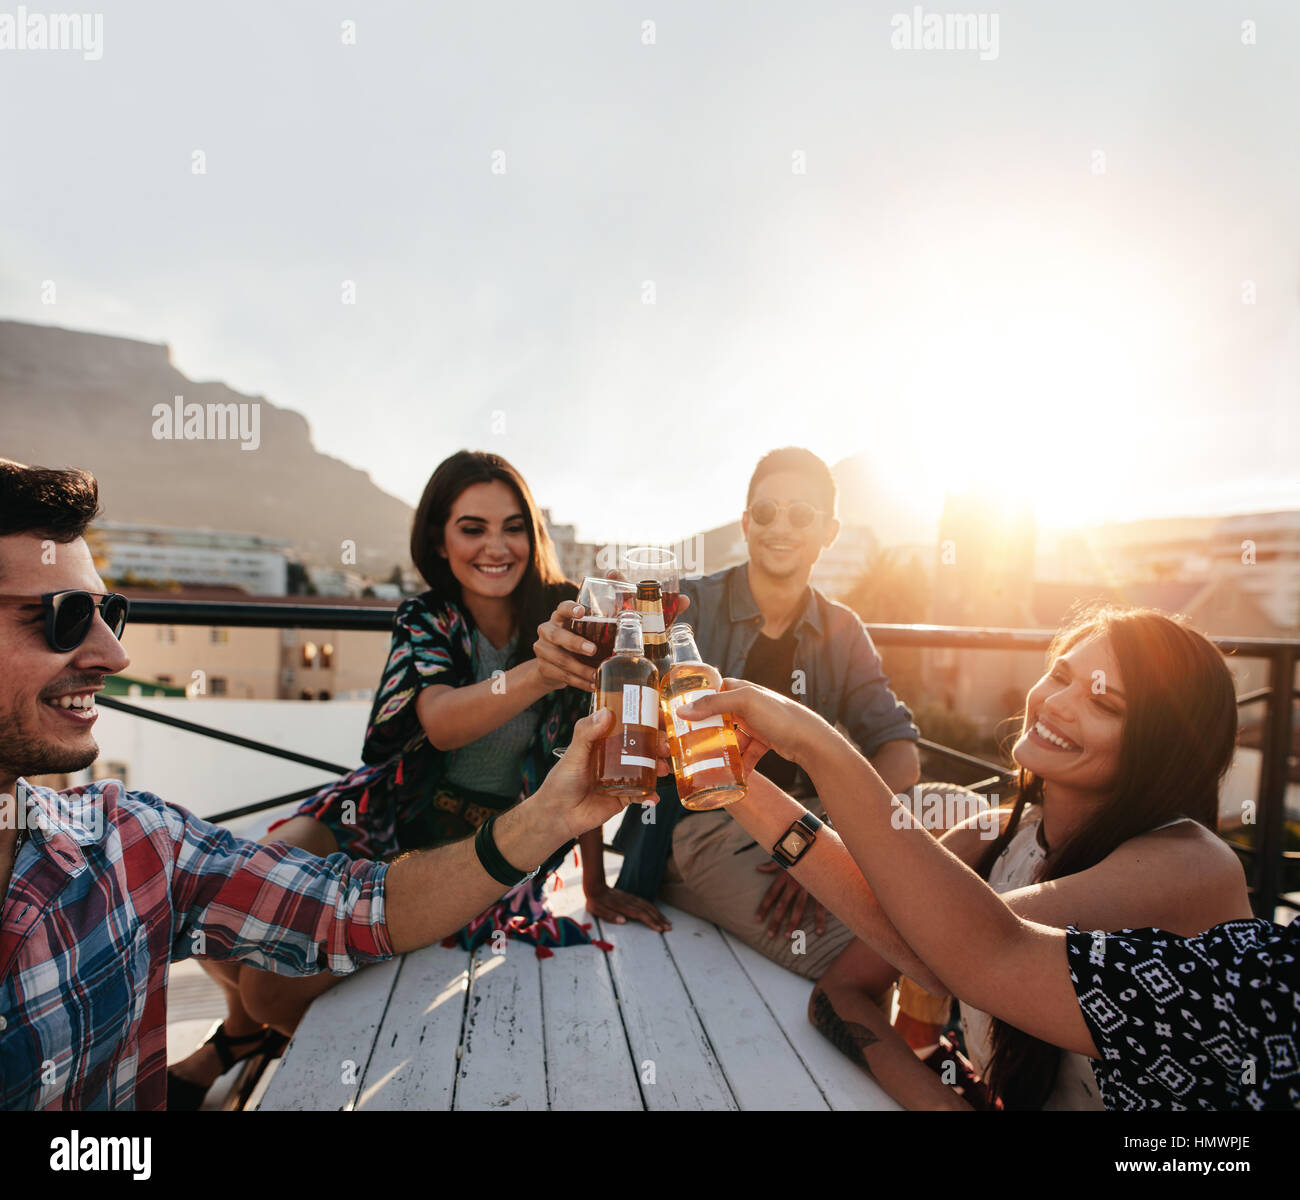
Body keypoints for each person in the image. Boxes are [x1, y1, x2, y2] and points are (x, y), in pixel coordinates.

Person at [0, 458, 638, 1111]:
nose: (495, 546)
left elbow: (587, 755)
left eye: (513, 527)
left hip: (488, 834)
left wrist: (595, 880)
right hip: (384, 811)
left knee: (267, 983)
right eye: (472, 527)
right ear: (440, 540)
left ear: (534, 534)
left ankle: (237, 1041)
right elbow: (441, 723)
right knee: (245, 896)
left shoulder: (563, 615)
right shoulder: (429, 618)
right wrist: (538, 671)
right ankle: (243, 1038)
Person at [676, 605, 1265, 1109]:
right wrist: (733, 777)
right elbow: (848, 987)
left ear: (1160, 749)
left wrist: (812, 743)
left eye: (1105, 704)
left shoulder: (1193, 864)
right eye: (1060, 675)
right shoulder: (989, 837)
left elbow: (957, 956)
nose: (1057, 704)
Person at [536, 448, 926, 1033]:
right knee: (877, 942)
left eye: (802, 515)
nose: (780, 528)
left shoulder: (843, 629)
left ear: (829, 531)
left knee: (962, 814)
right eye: (766, 512)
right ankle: (918, 1042)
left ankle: (925, 1031)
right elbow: (602, 714)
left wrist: (835, 840)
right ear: (745, 522)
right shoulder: (677, 606)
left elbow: (900, 749)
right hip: (705, 824)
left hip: (814, 818)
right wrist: (592, 879)